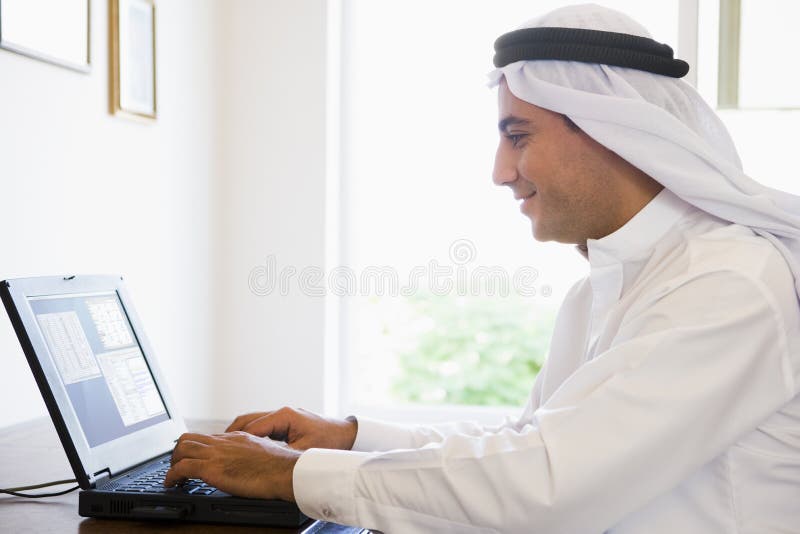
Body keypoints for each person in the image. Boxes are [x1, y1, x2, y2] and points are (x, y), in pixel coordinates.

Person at [165, 4, 800, 532]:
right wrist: (349, 438)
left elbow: (547, 483)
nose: (500, 171)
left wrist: (286, 474)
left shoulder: (728, 283)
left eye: (518, 136)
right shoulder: (603, 288)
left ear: (615, 131)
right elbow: (526, 442)